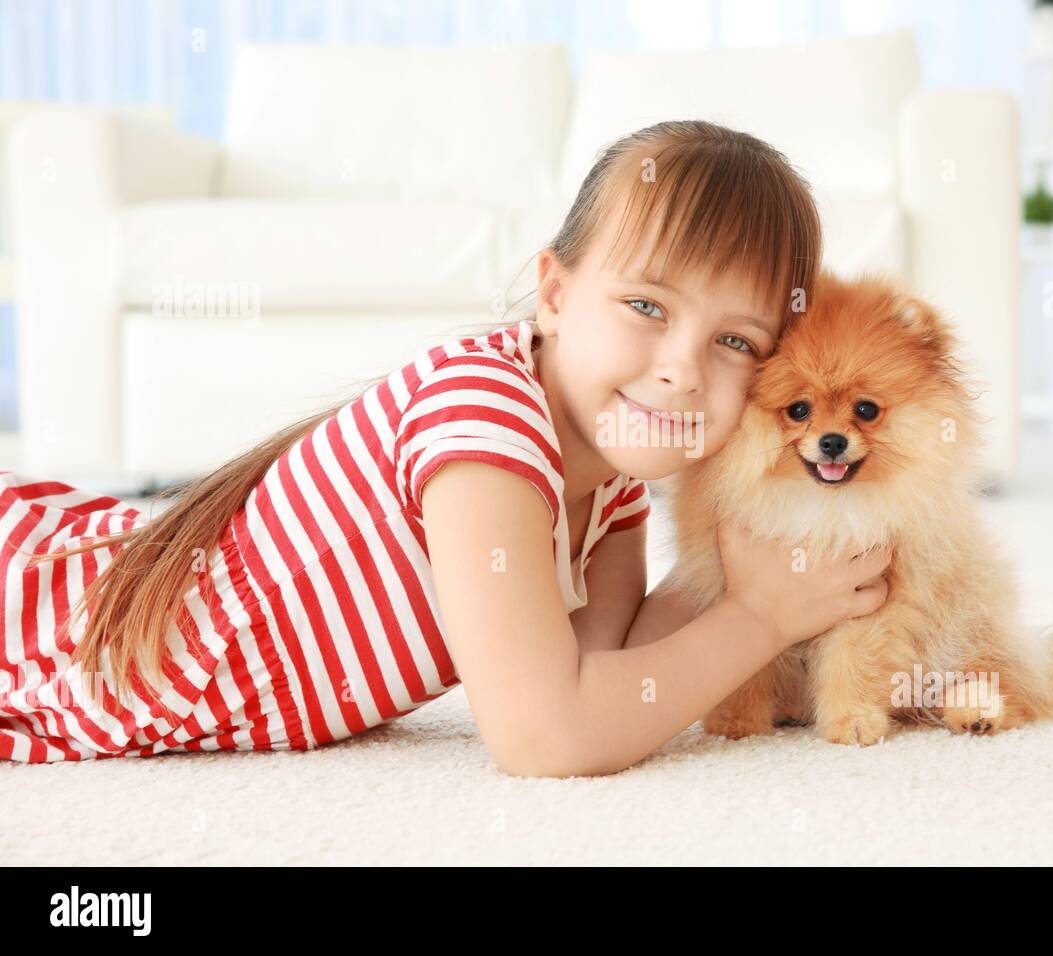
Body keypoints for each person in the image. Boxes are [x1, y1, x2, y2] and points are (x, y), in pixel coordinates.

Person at [0, 120, 891, 771]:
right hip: (50, 632)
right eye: (647, 307)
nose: (682, 369)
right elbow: (549, 734)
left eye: (735, 341)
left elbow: (612, 676)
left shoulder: (610, 485)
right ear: (553, 294)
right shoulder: (486, 425)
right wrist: (762, 617)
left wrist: (746, 581)